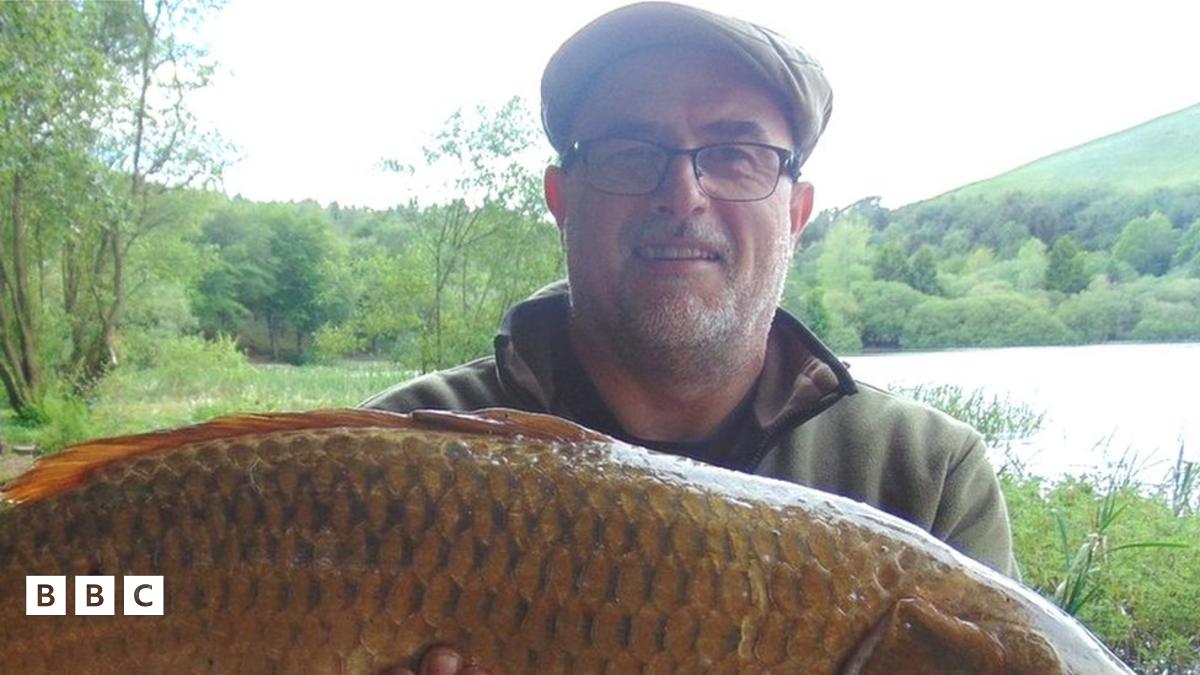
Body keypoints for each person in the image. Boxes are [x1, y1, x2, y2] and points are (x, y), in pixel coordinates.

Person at [365, 3, 1018, 672]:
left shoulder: (925, 476)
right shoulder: (383, 454)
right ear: (562, 201)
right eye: (630, 153)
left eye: (735, 155)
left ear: (795, 213)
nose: (682, 195)